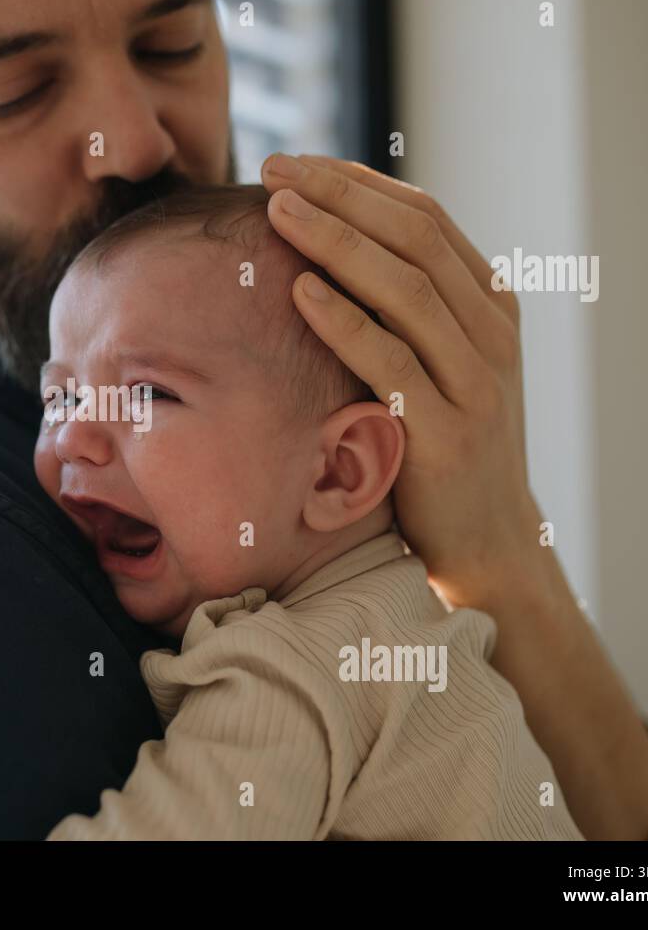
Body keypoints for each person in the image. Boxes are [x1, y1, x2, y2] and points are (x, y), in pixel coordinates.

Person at [0, 0, 648, 840]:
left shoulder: (321, 462)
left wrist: (498, 558)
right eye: (13, 91)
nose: (137, 141)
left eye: (172, 43)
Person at [37, 184, 584, 839]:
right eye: (61, 397)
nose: (72, 435)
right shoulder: (397, 621)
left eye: (148, 394)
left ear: (337, 472)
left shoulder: (294, 666)